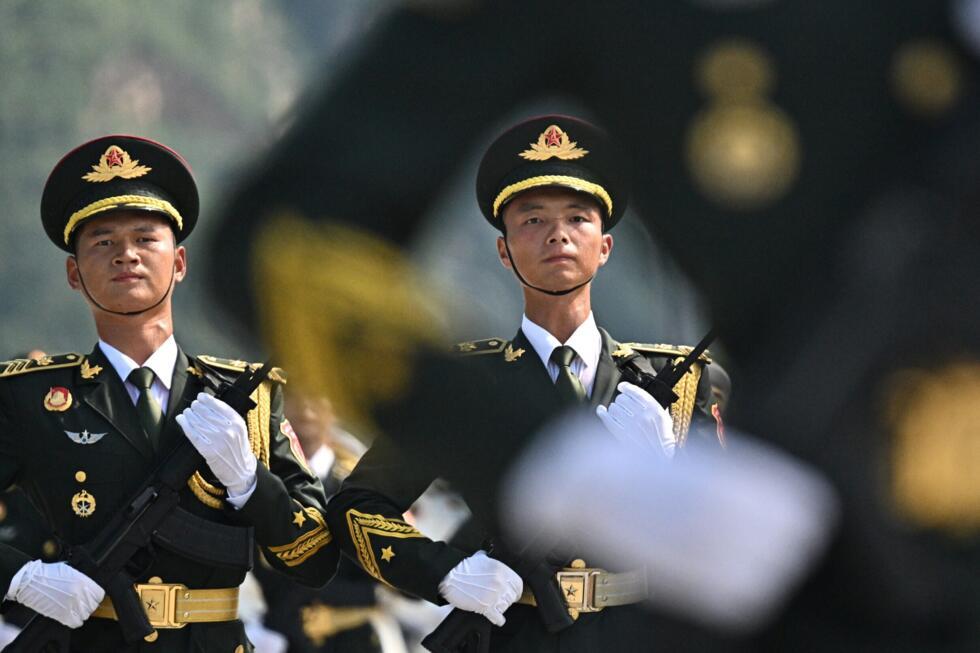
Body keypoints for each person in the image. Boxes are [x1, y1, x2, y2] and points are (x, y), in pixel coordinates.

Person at [325, 116, 718, 652]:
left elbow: (731, 541)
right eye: (533, 219)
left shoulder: (676, 383)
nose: (558, 233)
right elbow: (358, 505)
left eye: (577, 218)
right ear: (504, 251)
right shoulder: (464, 384)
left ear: (604, 246)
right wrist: (447, 572)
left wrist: (665, 470)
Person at [0, 135, 338, 651]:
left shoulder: (246, 399)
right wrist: (21, 577)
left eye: (145, 238)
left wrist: (250, 482)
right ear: (74, 273)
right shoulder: (29, 399)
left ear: (179, 263)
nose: (126, 255)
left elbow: (314, 558)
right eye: (103, 243)